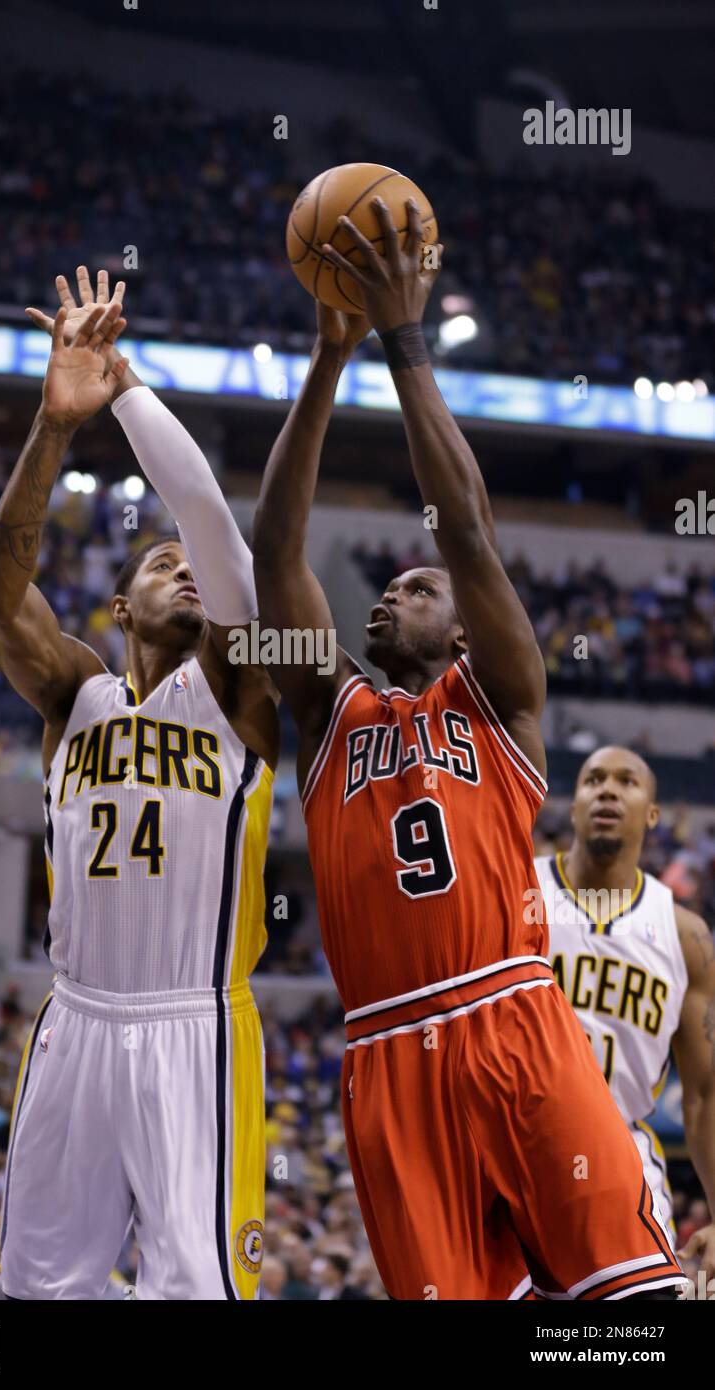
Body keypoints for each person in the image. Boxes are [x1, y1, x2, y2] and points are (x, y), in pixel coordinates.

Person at [251, 198, 685, 1301]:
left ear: (459, 626)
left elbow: (464, 525)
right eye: (386, 587)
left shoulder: (499, 698)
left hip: (514, 1017)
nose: (394, 592)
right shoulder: (326, 710)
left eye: (418, 587)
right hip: (388, 1057)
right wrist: (323, 362)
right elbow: (274, 549)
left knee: (633, 1306)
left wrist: (402, 347)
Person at [0, 271, 278, 1299]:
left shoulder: (237, 692)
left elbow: (218, 533)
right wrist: (55, 427)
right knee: (32, 1289)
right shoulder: (76, 692)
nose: (183, 566)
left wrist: (128, 387)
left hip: (195, 1025)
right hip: (76, 1021)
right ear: (117, 605)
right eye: (159, 560)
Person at [535, 745, 715, 1280]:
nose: (608, 790)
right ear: (574, 807)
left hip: (623, 1162)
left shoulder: (686, 936)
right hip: (511, 1151)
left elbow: (703, 1096)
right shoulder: (518, 894)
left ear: (653, 814)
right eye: (593, 780)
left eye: (626, 782)